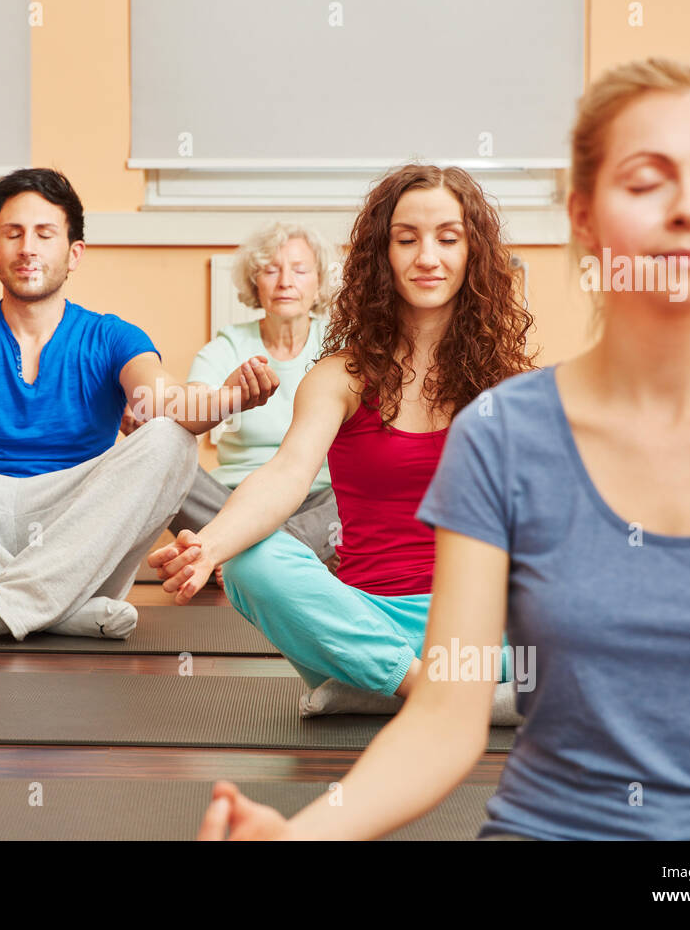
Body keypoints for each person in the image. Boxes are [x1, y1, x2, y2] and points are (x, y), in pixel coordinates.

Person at [197, 57, 690, 841]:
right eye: (646, 180)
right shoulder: (508, 432)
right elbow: (444, 724)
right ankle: (381, 676)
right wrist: (300, 834)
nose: (689, 209)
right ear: (583, 216)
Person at [152, 164, 536, 719]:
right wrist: (210, 544)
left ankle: (377, 690)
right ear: (382, 255)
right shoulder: (340, 377)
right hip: (364, 621)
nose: (427, 256)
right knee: (251, 562)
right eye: (407, 240)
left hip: (476, 623)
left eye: (447, 239)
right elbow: (286, 475)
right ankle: (435, 693)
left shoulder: (507, 389)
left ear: (473, 253)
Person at [0, 169, 279, 644]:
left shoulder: (110, 336)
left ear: (73, 253)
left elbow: (168, 402)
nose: (28, 248)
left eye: (45, 234)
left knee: (169, 438)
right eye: (12, 234)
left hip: (77, 533)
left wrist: (227, 399)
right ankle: (57, 613)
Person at [164, 223, 342, 572]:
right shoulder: (228, 345)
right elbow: (188, 408)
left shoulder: (340, 346)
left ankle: (234, 552)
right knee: (164, 461)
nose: (285, 281)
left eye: (300, 270)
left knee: (366, 488)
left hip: (317, 504)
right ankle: (276, 559)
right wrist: (228, 397)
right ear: (254, 284)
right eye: (271, 270)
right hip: (230, 503)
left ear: (319, 284)